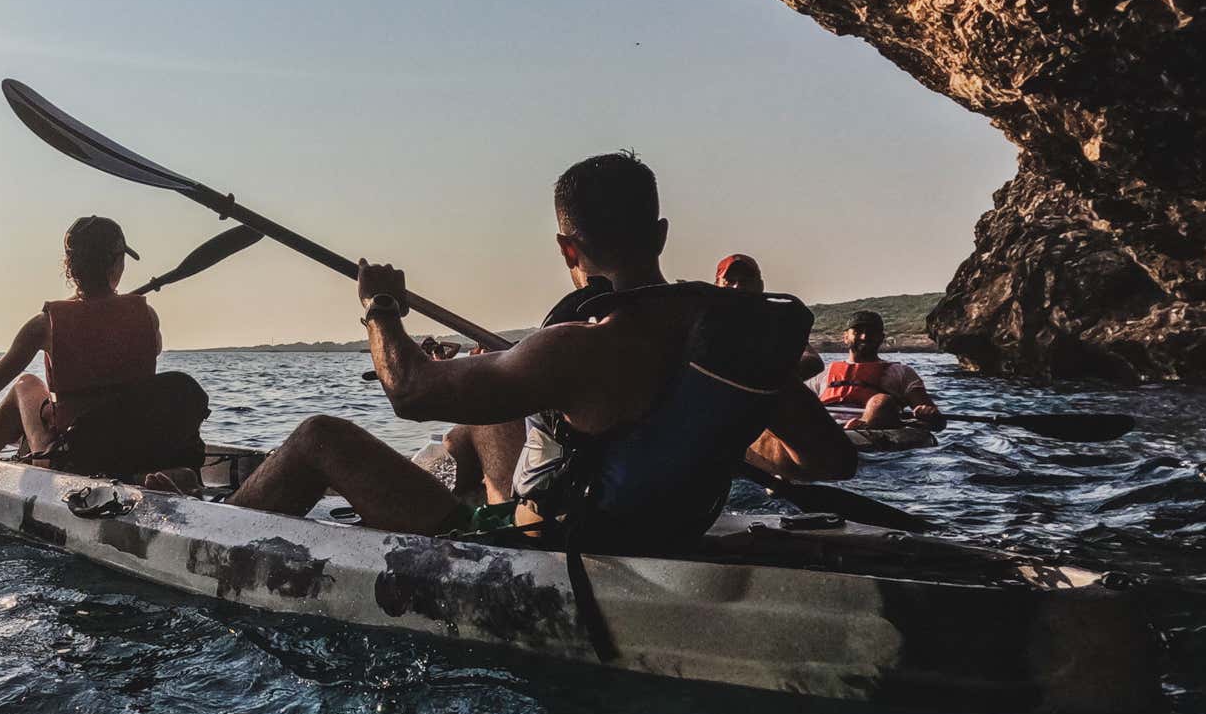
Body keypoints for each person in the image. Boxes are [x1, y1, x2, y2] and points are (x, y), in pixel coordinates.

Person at [228, 153, 856, 538]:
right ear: (661, 233)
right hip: (667, 527)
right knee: (491, 396)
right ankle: (461, 481)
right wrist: (698, 438)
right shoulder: (733, 339)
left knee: (317, 436)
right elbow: (830, 461)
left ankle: (215, 528)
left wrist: (381, 307)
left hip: (555, 544)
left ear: (567, 248)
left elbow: (410, 391)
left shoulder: (579, 347)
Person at [0, 215, 162, 460]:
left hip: (72, 455)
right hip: (136, 448)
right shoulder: (148, 316)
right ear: (117, 264)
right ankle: (4, 448)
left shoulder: (44, 326)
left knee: (25, 384)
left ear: (70, 266)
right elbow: (152, 348)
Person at [810, 309, 944, 431]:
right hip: (825, 426)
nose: (864, 337)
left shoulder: (902, 372)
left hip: (870, 429)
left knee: (880, 400)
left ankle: (860, 426)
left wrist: (927, 413)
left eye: (871, 332)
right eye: (857, 332)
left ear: (881, 338)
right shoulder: (824, 373)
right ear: (845, 337)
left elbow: (938, 423)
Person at [715, 253, 824, 379]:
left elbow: (812, 359)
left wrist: (772, 374)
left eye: (746, 281)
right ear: (716, 284)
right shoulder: (701, 318)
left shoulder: (777, 320)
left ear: (760, 286)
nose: (738, 287)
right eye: (729, 281)